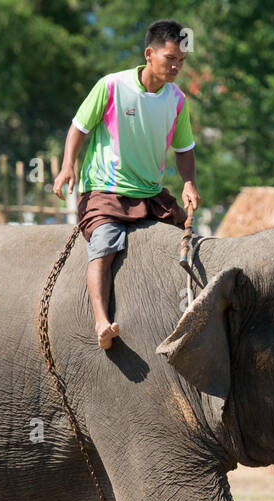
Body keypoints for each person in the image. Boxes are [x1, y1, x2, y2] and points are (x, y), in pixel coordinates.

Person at [51, 18, 201, 350]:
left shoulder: (176, 100)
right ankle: (102, 321)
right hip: (106, 189)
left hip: (149, 193)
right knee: (105, 244)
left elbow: (185, 149)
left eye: (181, 61)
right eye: (170, 59)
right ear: (150, 54)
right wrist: (67, 167)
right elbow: (79, 127)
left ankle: (185, 318)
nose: (176, 66)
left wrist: (189, 184)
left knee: (185, 244)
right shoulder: (111, 86)